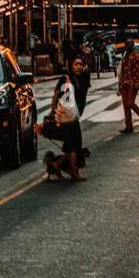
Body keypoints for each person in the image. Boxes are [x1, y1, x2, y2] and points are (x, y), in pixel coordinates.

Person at [45, 54, 91, 182]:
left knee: (71, 144)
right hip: (66, 116)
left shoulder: (82, 79)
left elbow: (83, 97)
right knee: (74, 144)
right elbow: (56, 95)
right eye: (76, 64)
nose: (79, 67)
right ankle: (70, 170)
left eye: (81, 64)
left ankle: (57, 166)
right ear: (71, 65)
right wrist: (52, 111)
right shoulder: (66, 78)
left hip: (74, 116)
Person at [118, 38, 139, 133]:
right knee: (126, 106)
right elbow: (122, 71)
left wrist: (137, 83)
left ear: (133, 45)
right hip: (124, 84)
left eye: (130, 44)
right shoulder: (125, 56)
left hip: (133, 83)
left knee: (130, 103)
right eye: (127, 44)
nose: (128, 46)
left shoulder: (136, 56)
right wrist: (120, 84)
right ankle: (129, 127)